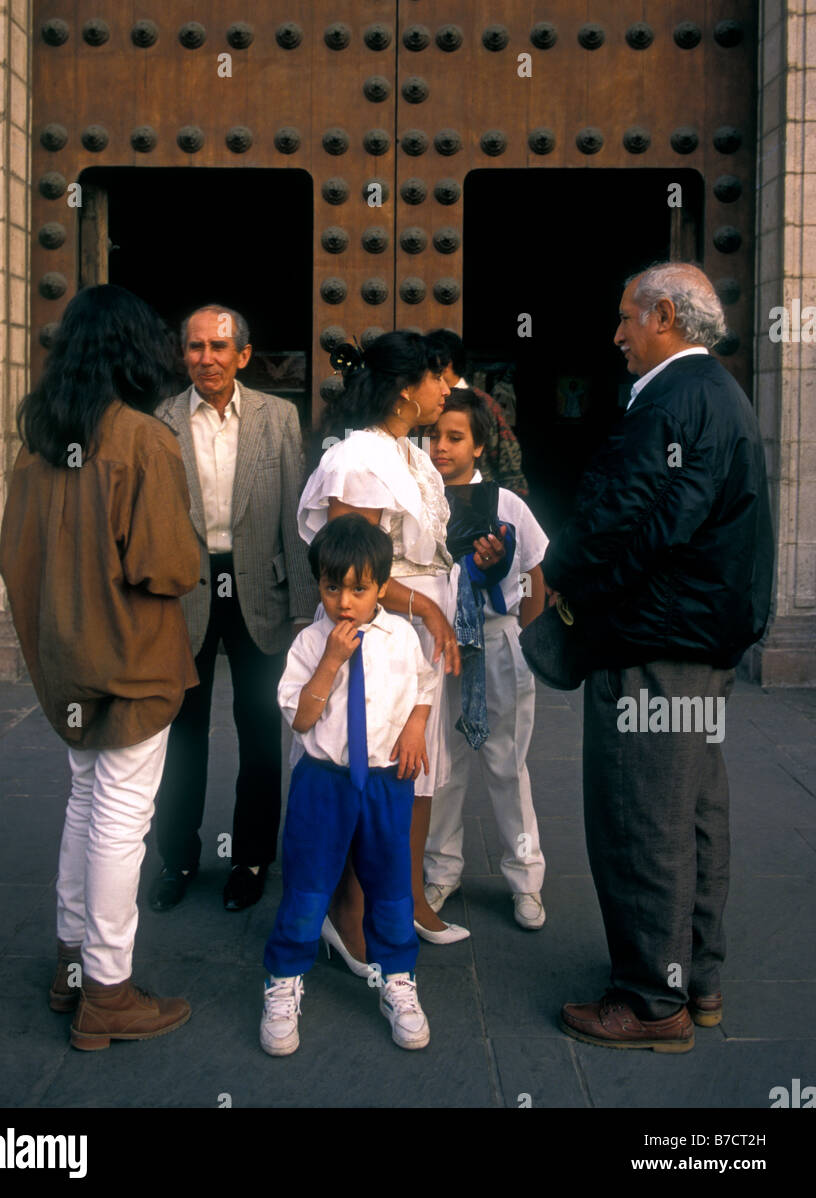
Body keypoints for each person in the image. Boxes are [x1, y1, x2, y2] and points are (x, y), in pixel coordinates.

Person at [542, 262, 774, 1053]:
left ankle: (649, 1003)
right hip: (701, 648)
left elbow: (622, 523)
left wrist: (561, 578)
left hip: (655, 647)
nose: (617, 336)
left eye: (625, 320)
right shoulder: (722, 396)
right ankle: (695, 980)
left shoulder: (670, 399)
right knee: (695, 818)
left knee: (641, 821)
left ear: (665, 315)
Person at [0, 284, 201, 1050]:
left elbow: (13, 558)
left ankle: (72, 966)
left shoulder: (39, 440)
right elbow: (169, 567)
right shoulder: (142, 439)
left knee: (84, 802)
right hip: (130, 661)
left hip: (62, 660)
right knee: (121, 818)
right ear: (134, 350)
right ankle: (108, 993)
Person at [298, 331, 470, 959]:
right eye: (436, 377)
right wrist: (423, 605)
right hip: (375, 630)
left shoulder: (413, 455)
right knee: (362, 761)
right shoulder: (356, 460)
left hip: (422, 633)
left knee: (417, 765)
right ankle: (348, 908)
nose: (446, 388)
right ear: (405, 388)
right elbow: (350, 570)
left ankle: (407, 895)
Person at [148, 305, 315, 914]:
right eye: (195, 347)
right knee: (182, 735)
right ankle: (179, 858)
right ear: (183, 354)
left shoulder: (278, 418)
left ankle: (250, 859)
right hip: (185, 592)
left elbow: (295, 519)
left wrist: (302, 608)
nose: (206, 359)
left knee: (258, 735)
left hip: (259, 593)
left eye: (219, 347)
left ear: (243, 355)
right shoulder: (161, 420)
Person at [260, 515, 438, 1055]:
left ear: (382, 587)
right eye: (332, 587)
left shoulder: (402, 638)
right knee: (308, 884)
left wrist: (414, 726)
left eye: (359, 589)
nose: (344, 601)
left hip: (387, 783)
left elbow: (424, 683)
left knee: (390, 885)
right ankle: (284, 979)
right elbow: (301, 718)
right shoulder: (312, 643)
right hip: (324, 783)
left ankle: (398, 980)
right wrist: (332, 661)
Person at [424, 389, 550, 929]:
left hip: (498, 643)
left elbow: (536, 578)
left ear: (478, 445)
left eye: (455, 437)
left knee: (505, 762)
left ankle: (525, 880)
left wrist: (526, 644)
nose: (441, 447)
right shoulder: (418, 499)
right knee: (441, 764)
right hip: (435, 645)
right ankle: (440, 871)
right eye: (434, 435)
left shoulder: (506, 504)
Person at [425, 328, 529, 497]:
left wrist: (504, 507)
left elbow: (509, 463)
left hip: (478, 502)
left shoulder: (485, 405)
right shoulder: (423, 405)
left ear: (447, 365)